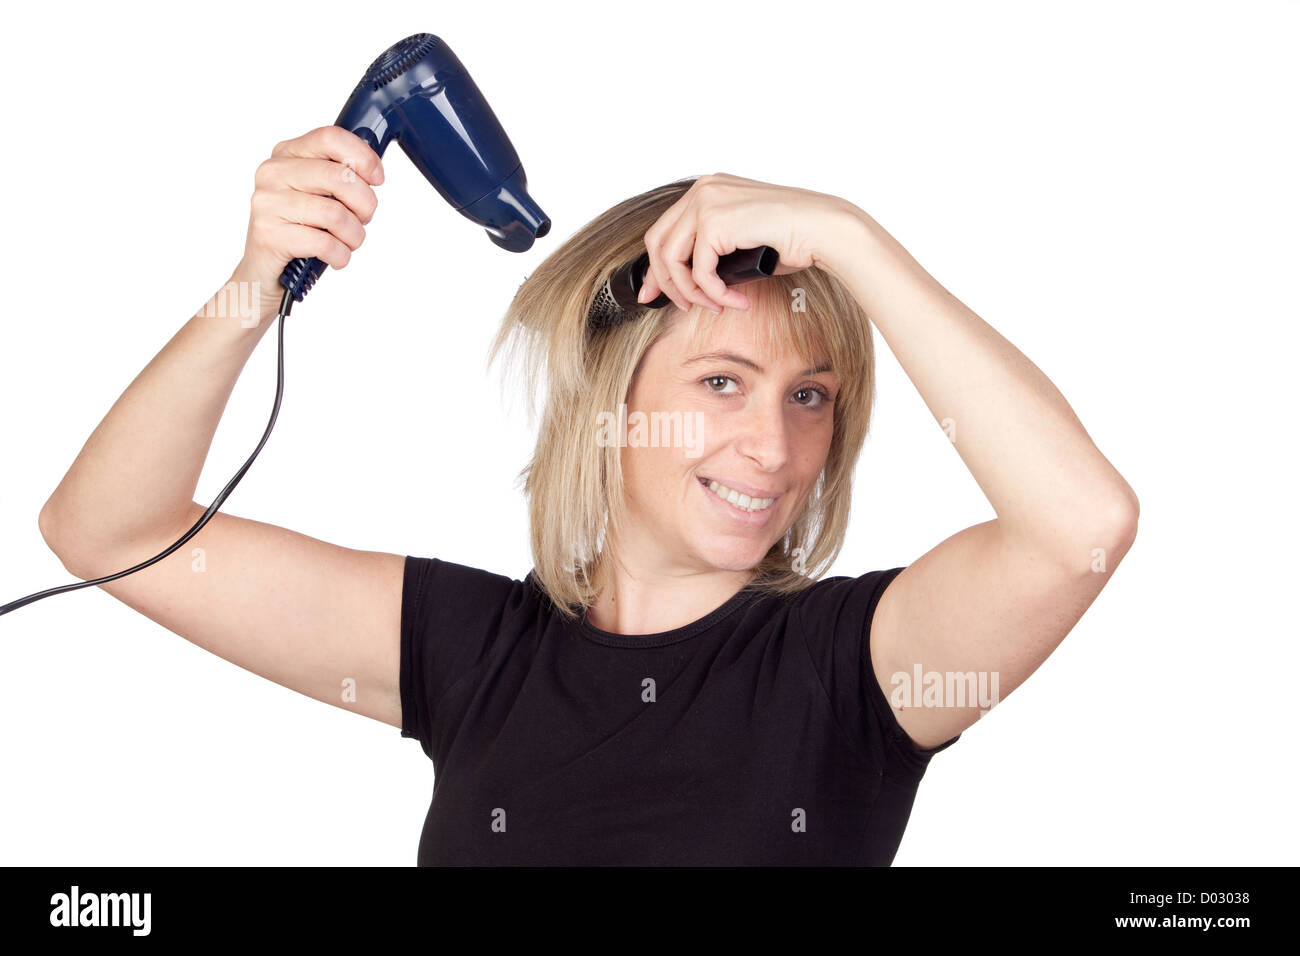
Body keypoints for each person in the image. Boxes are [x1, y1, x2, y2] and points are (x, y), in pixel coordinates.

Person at [37, 126, 1140, 866]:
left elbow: (1077, 526)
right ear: (611, 405)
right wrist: (256, 280)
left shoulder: (855, 668)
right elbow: (109, 530)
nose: (774, 443)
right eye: (722, 382)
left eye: (811, 394)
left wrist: (850, 240)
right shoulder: (472, 652)